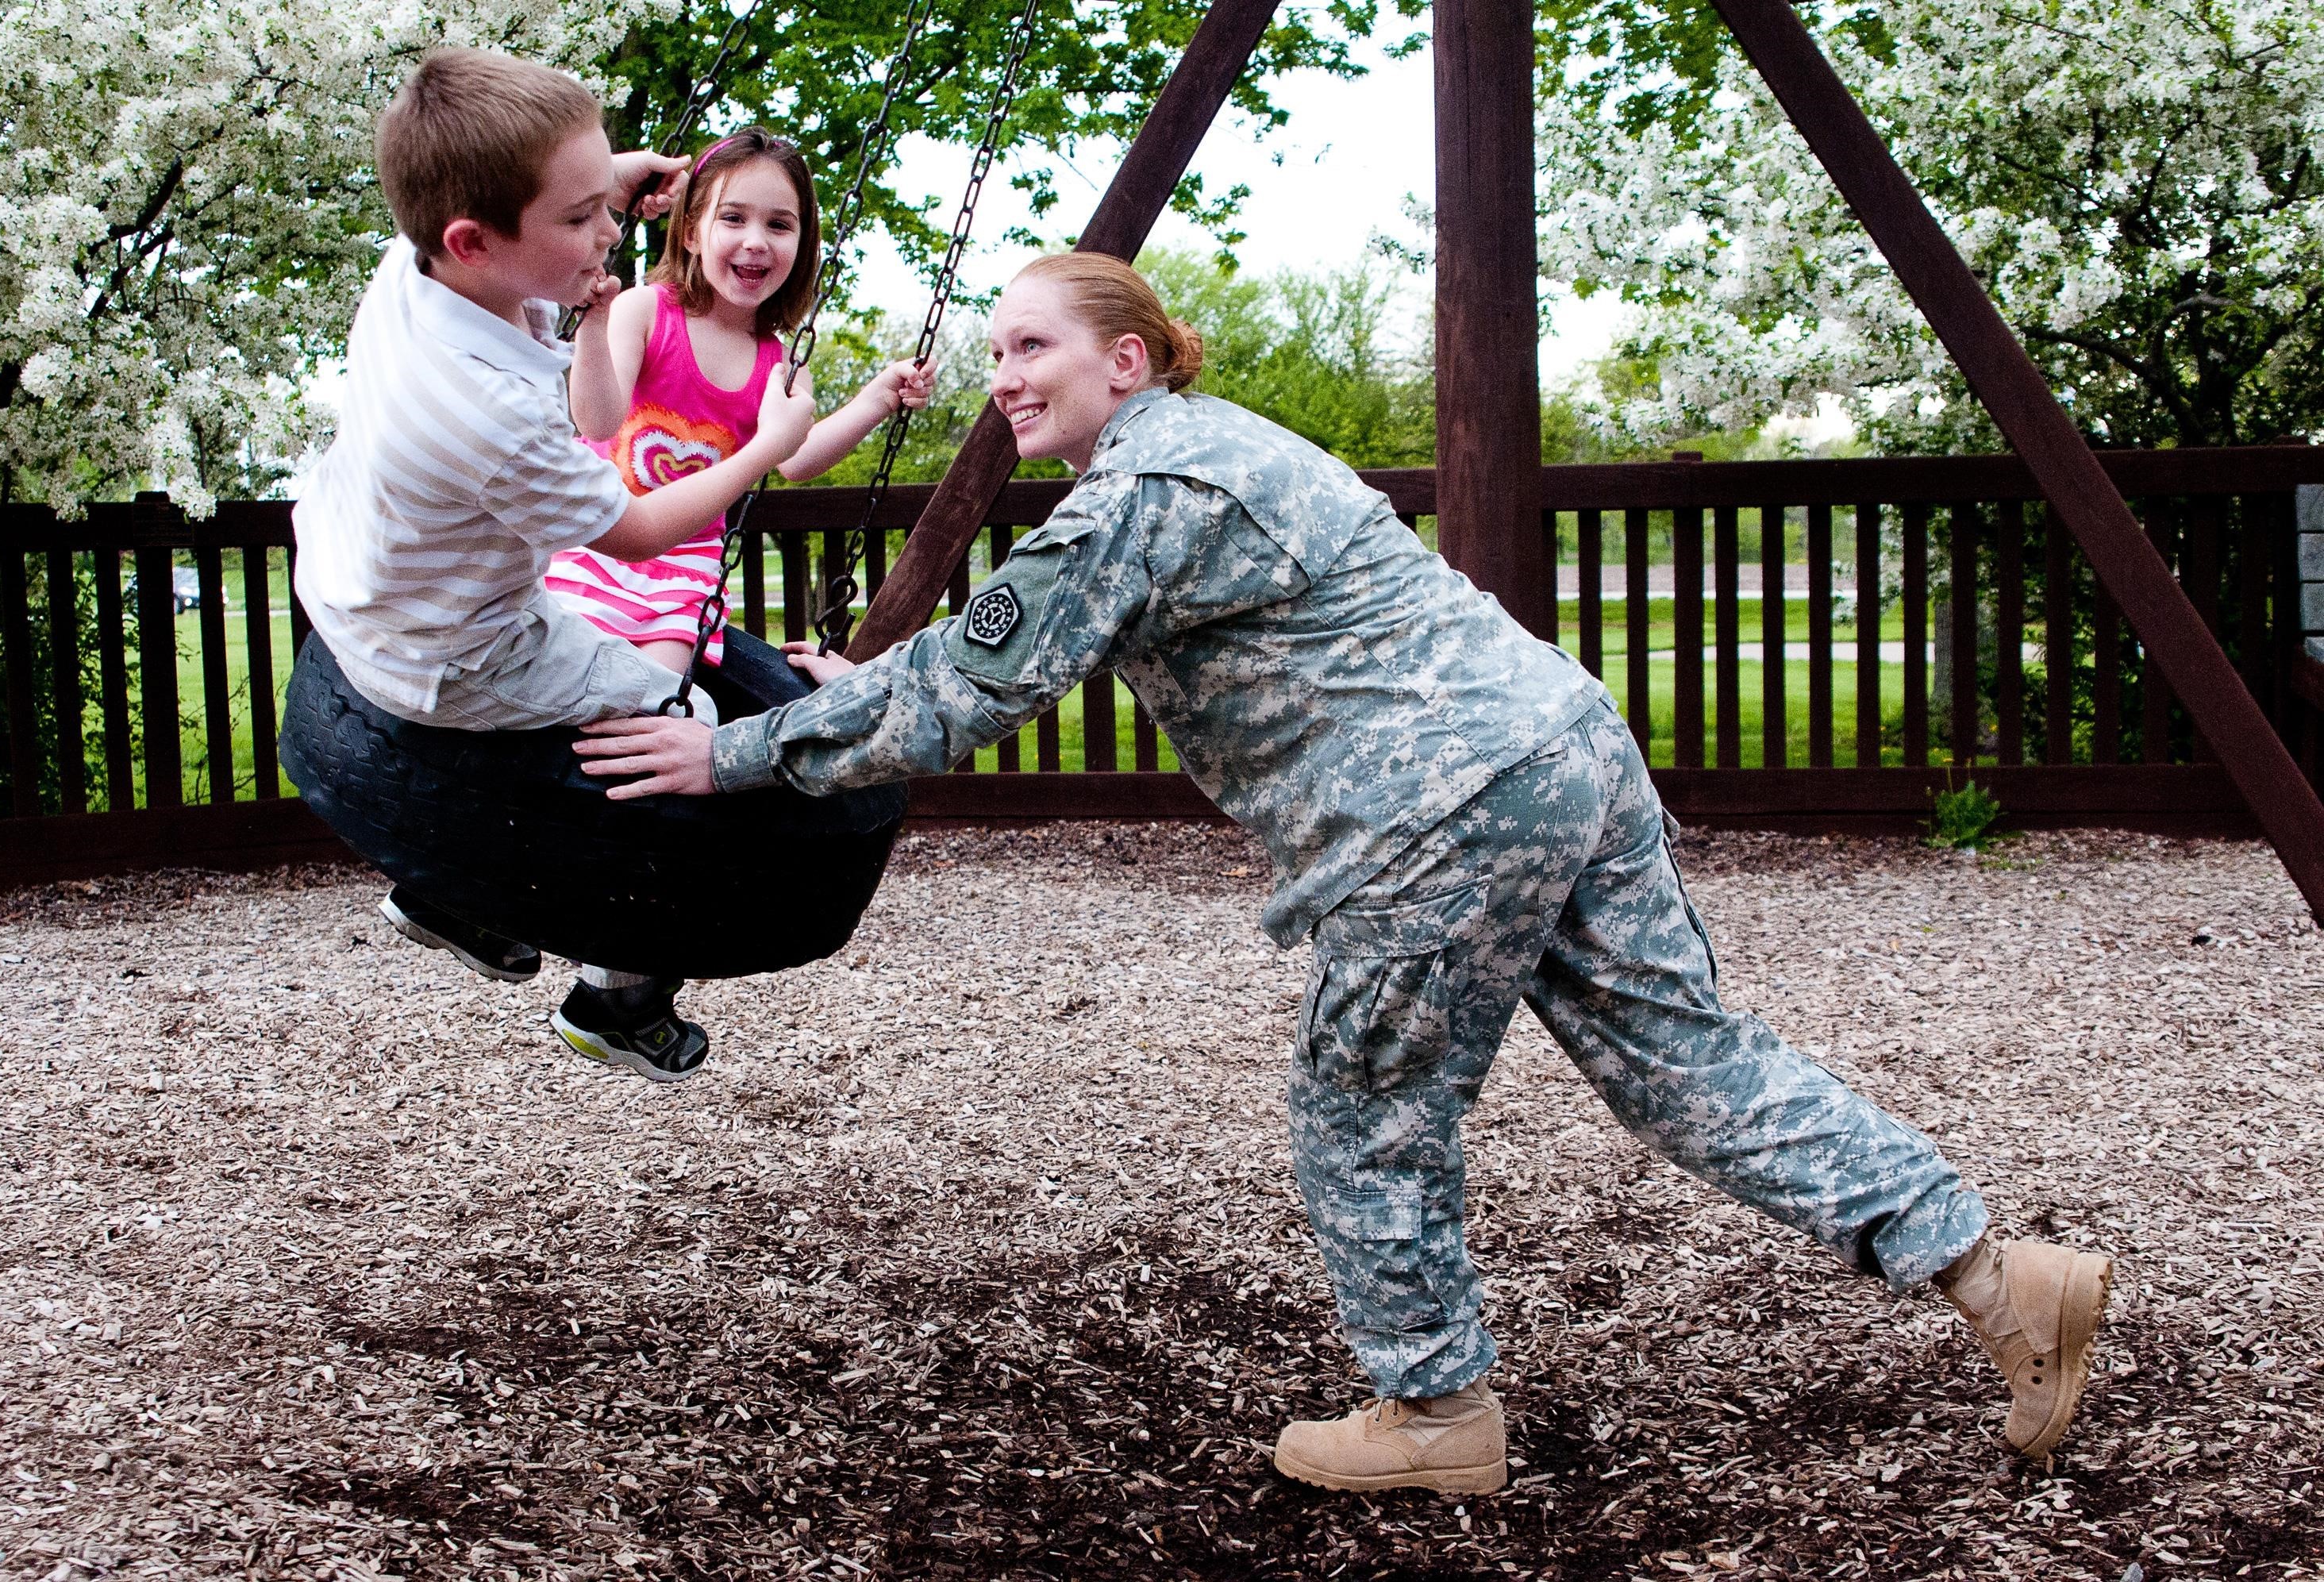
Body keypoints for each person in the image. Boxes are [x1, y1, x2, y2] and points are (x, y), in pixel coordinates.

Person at [572, 253, 2115, 1493]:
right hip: (1558, 751)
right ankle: (1997, 1275)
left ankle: (1435, 1408)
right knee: (1689, 1068)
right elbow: (974, 654)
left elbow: (973, 687)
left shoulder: (1145, 493)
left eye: (1032, 346)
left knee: (1363, 1106)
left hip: (1432, 813)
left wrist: (738, 754)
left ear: (1128, 361)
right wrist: (821, 691)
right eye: (990, 356)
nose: (1003, 379)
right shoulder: (1210, 452)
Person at [291, 48, 814, 1081]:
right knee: (681, 725)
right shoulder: (486, 415)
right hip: (459, 647)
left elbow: (515, 218)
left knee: (559, 714)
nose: (611, 231)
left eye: (600, 203)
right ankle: (616, 997)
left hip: (360, 587)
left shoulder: (414, 270)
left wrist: (597, 178)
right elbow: (635, 530)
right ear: (475, 241)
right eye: (579, 218)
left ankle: (450, 893)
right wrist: (769, 442)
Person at [548, 128, 937, 677]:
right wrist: (593, 327)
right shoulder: (644, 311)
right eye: (733, 218)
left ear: (801, 245)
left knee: (658, 702)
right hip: (595, 543)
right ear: (690, 234)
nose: (756, 239)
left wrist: (878, 398)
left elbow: (794, 457)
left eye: (779, 224)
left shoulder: (779, 362)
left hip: (683, 570)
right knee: (569, 685)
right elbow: (596, 419)